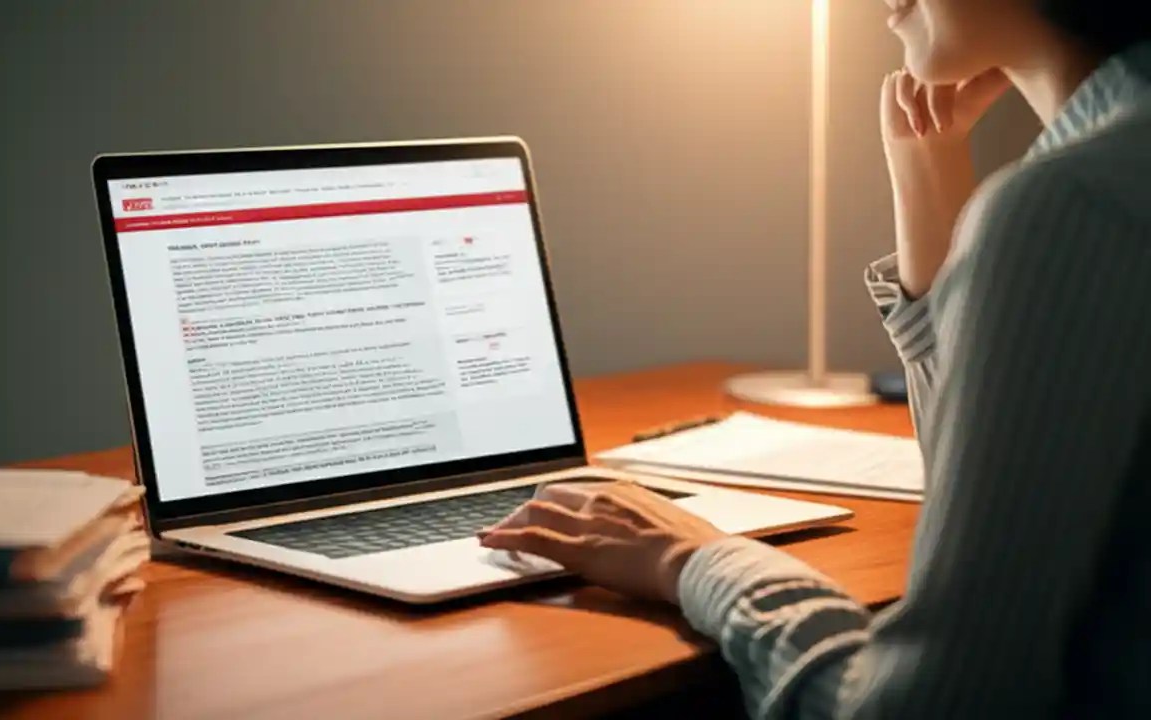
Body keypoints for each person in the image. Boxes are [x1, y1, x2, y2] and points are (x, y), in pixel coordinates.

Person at [478, 0, 1151, 717]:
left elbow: (917, 710)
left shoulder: (1071, 207)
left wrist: (693, 559)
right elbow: (973, 463)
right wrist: (927, 171)